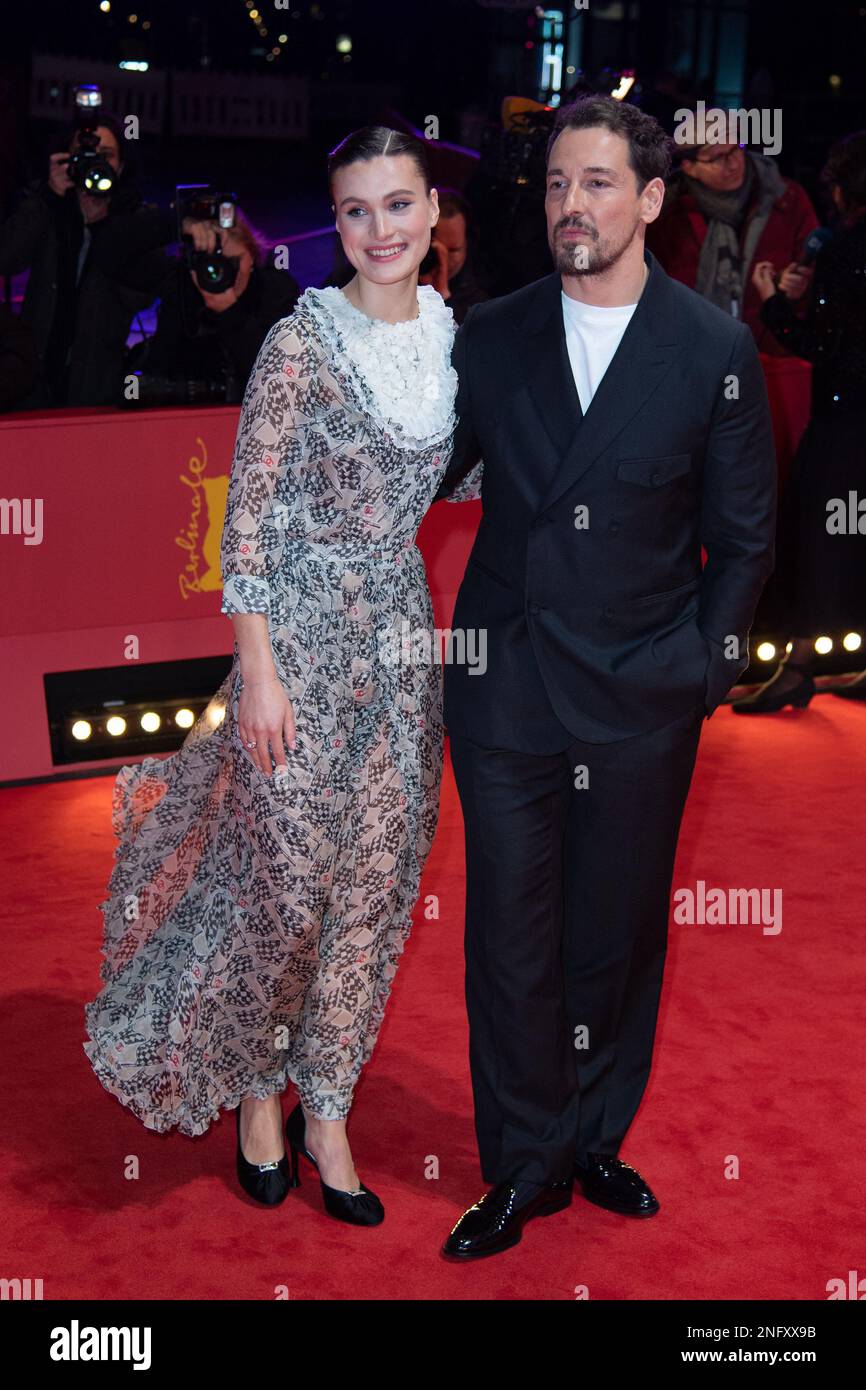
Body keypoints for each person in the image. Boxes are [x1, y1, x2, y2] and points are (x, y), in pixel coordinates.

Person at [83, 126, 457, 1224]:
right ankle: (258, 1090)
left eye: (398, 206)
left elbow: (475, 464)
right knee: (283, 888)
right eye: (355, 210)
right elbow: (242, 524)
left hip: (396, 649)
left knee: (376, 884)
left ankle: (327, 1107)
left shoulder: (449, 340)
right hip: (291, 644)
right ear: (332, 223)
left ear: (431, 212)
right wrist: (256, 671)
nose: (379, 230)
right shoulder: (300, 341)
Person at [433, 94, 777, 1260]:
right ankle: (521, 1165)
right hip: (508, 692)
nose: (567, 206)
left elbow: (743, 542)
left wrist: (695, 672)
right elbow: (419, 479)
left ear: (646, 200)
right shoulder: (492, 332)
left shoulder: (710, 349)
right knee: (509, 938)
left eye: (592, 184)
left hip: (640, 696)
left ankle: (591, 1136)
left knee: (612, 936)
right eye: (552, 186)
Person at [732, 130, 866, 712]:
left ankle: (798, 667)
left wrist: (773, 305)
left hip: (845, 422)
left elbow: (821, 346)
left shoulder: (842, 248)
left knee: (817, 540)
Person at [0, 116, 171, 407]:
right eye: (86, 156)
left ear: (122, 166)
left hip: (96, 384)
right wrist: (47, 198)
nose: (97, 165)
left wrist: (107, 228)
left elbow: (141, 297)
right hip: (33, 379)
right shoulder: (48, 208)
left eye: (106, 157)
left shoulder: (134, 220)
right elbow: (6, 259)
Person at [646, 123, 818, 355]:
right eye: (717, 157)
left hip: (768, 356)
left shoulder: (786, 198)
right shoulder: (666, 215)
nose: (734, 163)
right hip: (692, 356)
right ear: (689, 167)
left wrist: (795, 284)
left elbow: (815, 268)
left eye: (736, 149)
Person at [130, 208, 300, 404]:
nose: (224, 275)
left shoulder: (275, 291)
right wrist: (177, 223)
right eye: (213, 266)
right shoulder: (183, 289)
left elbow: (281, 379)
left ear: (252, 254)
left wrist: (230, 313)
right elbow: (117, 257)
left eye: (232, 263)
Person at [418, 188, 491, 323]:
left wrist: (442, 297)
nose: (443, 258)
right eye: (434, 248)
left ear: (468, 244)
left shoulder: (480, 306)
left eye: (452, 250)